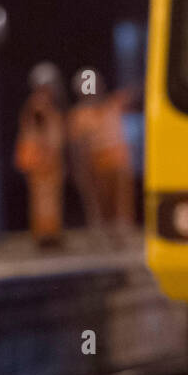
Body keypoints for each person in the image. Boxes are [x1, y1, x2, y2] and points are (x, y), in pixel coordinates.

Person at [68, 68, 136, 245]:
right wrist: (80, 171)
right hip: (97, 165)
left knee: (120, 203)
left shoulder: (112, 105)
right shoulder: (80, 115)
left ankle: (120, 232)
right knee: (101, 203)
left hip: (119, 163)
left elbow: (133, 95)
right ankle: (105, 234)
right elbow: (78, 148)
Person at [14, 62, 67, 248]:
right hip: (43, 161)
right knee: (45, 201)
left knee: (48, 200)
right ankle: (46, 237)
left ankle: (49, 234)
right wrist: (47, 153)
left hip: (47, 160)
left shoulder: (42, 105)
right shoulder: (39, 106)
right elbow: (42, 134)